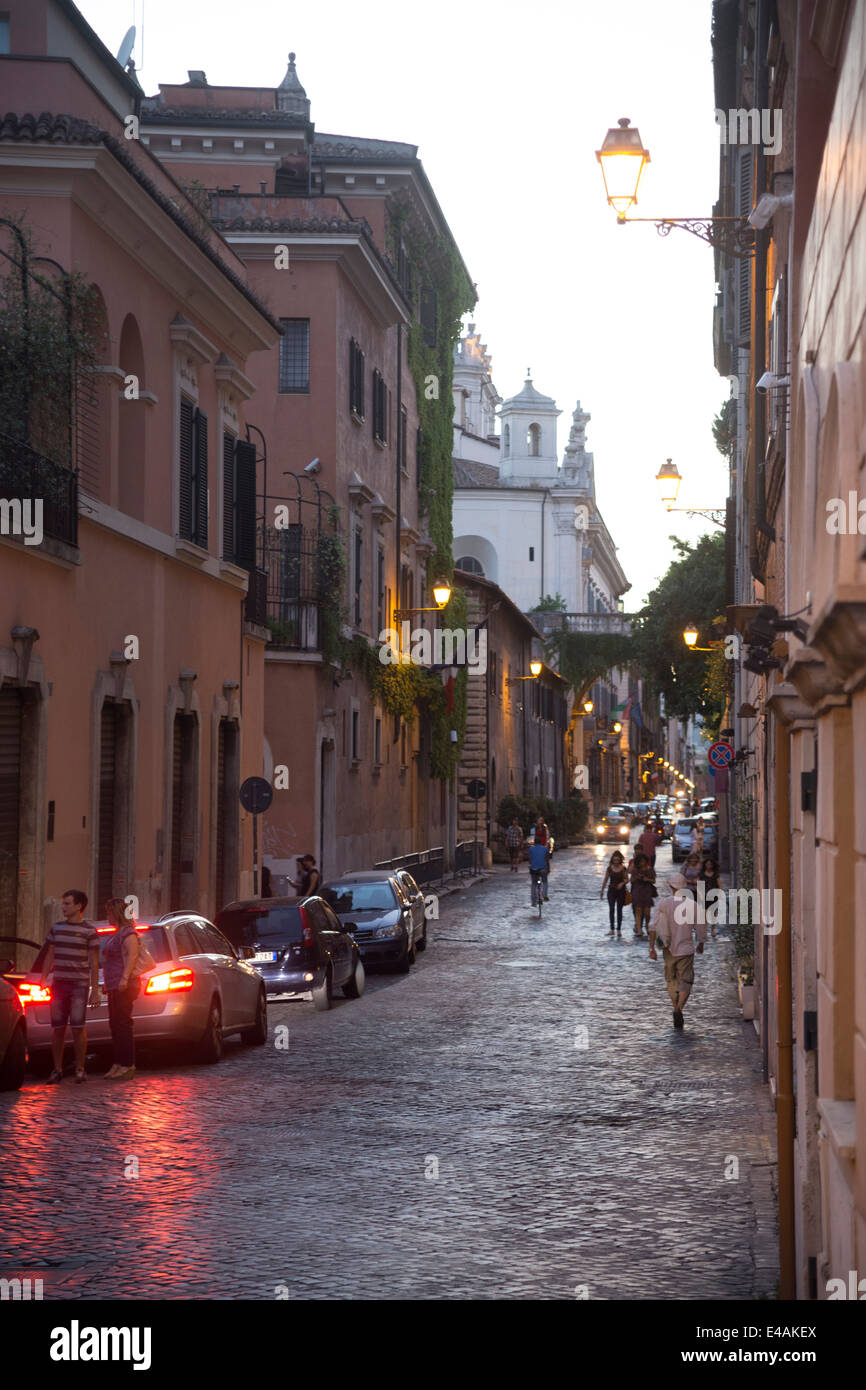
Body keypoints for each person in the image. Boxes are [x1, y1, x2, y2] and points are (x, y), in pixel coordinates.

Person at [41, 888, 100, 1084]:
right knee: (57, 1028)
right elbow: (49, 954)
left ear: (79, 906)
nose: (63, 907)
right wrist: (43, 977)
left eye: (67, 904)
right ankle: (56, 1069)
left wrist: (94, 989)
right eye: (63, 903)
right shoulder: (56, 928)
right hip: (59, 983)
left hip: (79, 985)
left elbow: (93, 962)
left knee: (77, 1027)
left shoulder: (89, 932)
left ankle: (80, 1068)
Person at [650, 871, 706, 1027]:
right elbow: (701, 927)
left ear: (670, 887)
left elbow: (653, 926)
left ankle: (676, 1007)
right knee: (686, 981)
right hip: (686, 949)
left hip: (668, 949)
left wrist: (651, 948)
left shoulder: (663, 903)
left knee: (671, 980)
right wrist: (701, 942)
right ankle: (679, 1009)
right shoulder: (693, 905)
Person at [102, 897, 142, 1081]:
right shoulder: (117, 933)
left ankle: (127, 1064)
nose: (107, 916)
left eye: (109, 912)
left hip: (124, 984)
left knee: (123, 1024)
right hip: (114, 985)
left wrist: (124, 978)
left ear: (116, 913)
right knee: (115, 1024)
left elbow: (133, 955)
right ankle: (118, 1063)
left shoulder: (128, 933)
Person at [628, 851, 656, 939]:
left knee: (647, 912)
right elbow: (631, 880)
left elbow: (653, 880)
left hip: (647, 891)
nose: (641, 863)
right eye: (640, 861)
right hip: (637, 891)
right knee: (638, 910)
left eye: (643, 861)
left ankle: (647, 926)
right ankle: (639, 930)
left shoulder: (650, 869)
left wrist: (646, 879)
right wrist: (637, 878)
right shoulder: (635, 870)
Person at [600, 849, 628, 936]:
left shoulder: (623, 869)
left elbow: (627, 879)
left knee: (619, 910)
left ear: (620, 860)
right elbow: (605, 880)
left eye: (617, 860)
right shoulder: (609, 869)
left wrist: (622, 883)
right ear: (612, 860)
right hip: (611, 891)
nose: (616, 862)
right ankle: (612, 929)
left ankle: (619, 929)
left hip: (621, 891)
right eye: (614, 860)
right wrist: (602, 891)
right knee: (611, 909)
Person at [700, 856, 722, 939]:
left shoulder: (716, 874)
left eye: (710, 864)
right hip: (704, 896)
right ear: (705, 865)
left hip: (714, 896)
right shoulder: (701, 874)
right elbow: (699, 885)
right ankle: (705, 931)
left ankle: (713, 929)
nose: (709, 866)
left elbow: (719, 885)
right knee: (704, 915)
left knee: (713, 914)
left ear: (713, 865)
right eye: (707, 864)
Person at [528, 839, 549, 905]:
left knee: (534, 884)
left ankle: (533, 902)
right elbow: (547, 860)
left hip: (534, 869)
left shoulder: (531, 849)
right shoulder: (545, 849)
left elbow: (530, 860)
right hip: (543, 869)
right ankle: (544, 893)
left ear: (534, 843)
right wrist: (548, 869)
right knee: (545, 881)